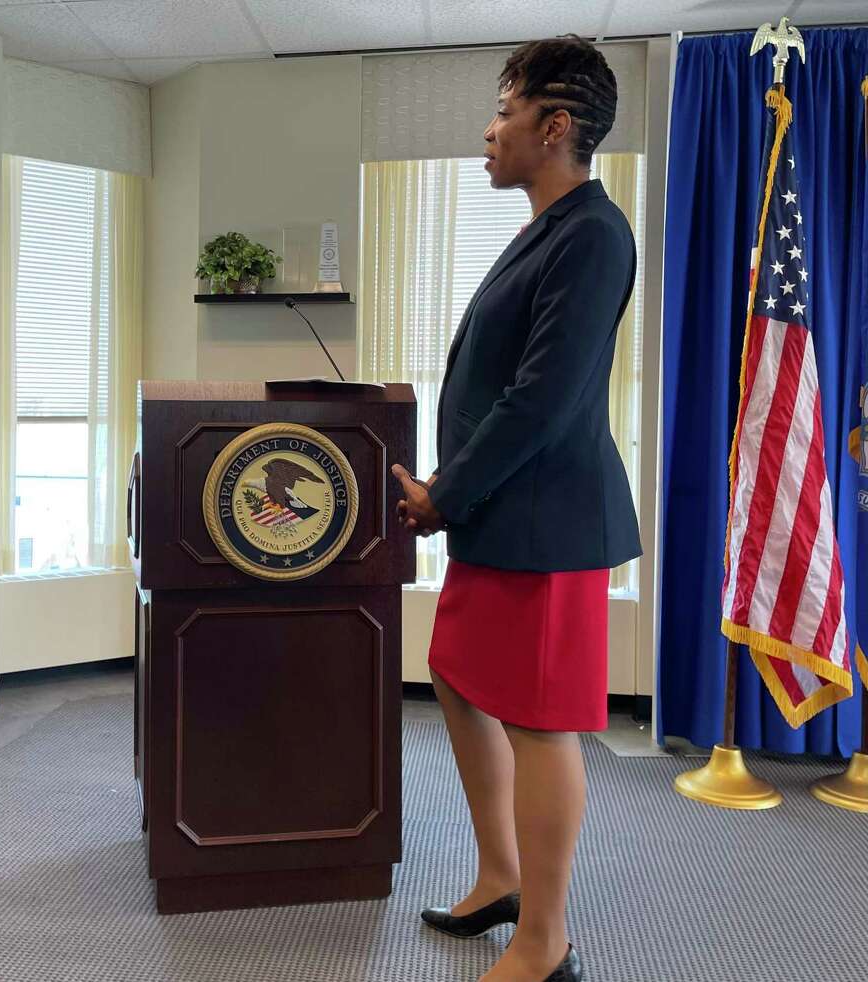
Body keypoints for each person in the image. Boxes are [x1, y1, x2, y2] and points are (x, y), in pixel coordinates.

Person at [391, 36, 641, 982]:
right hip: (502, 515)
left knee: (540, 722)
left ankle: (545, 941)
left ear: (556, 125)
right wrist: (452, 489)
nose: (489, 132)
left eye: (504, 113)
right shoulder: (549, 228)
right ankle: (501, 878)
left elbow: (541, 400)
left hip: (546, 524)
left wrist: (445, 495)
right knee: (458, 678)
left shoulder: (594, 234)